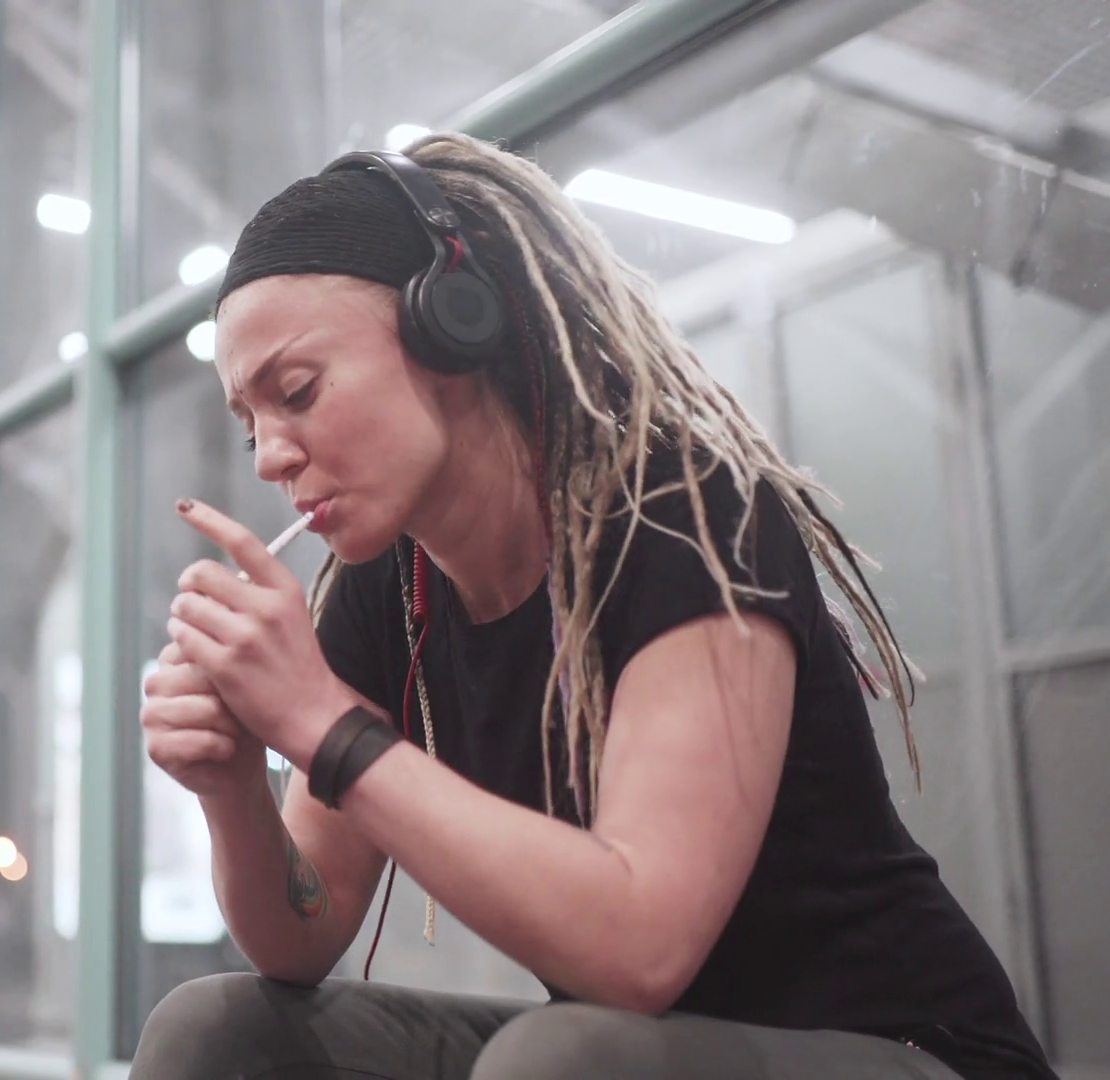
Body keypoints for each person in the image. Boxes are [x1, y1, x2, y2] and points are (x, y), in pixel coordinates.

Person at [131, 134, 1055, 1080]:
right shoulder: (389, 586)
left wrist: (324, 726)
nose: (269, 456)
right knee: (216, 1032)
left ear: (450, 328)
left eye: (297, 392)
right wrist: (233, 784)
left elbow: (639, 951)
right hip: (629, 1050)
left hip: (900, 1046)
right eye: (251, 424)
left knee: (562, 1060)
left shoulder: (685, 513)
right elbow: (300, 935)